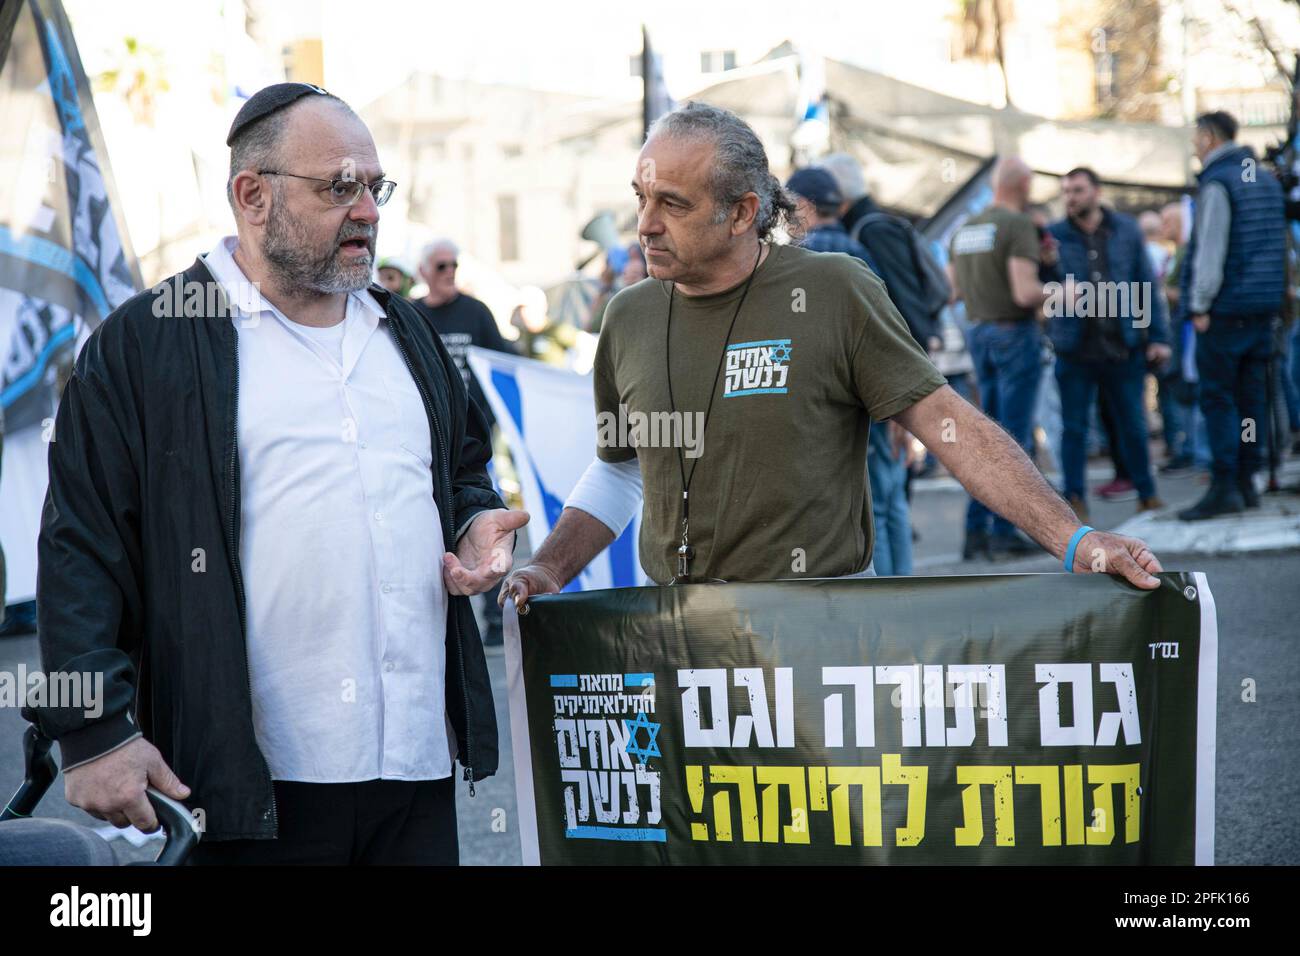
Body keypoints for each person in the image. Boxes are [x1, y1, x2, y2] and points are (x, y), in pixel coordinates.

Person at [28, 83, 528, 865]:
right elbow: (81, 545)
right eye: (338, 187)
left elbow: (462, 470)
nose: (366, 209)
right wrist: (94, 734)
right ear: (252, 195)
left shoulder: (408, 333)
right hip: (243, 791)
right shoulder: (149, 345)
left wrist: (473, 523)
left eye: (374, 186)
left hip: (414, 765)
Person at [499, 103, 1163, 610]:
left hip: (820, 640)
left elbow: (948, 426)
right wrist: (548, 568)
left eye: (673, 204)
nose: (644, 224)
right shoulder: (629, 315)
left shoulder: (833, 288)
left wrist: (1075, 540)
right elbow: (620, 472)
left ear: (741, 214)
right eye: (642, 198)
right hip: (679, 651)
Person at [787, 165, 914, 575]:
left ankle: (889, 607)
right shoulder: (862, 250)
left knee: (872, 505)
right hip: (880, 391)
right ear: (838, 204)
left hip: (845, 399)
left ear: (801, 206)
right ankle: (905, 591)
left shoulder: (807, 257)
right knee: (893, 501)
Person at [1178, 111, 1287, 520]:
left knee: (1220, 401)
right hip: (1262, 310)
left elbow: (1210, 251)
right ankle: (1248, 479)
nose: (1194, 144)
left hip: (1225, 313)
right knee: (1251, 401)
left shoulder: (1219, 182)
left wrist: (1199, 305)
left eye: (1195, 136)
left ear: (1207, 137)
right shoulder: (1263, 179)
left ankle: (1224, 485)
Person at [1047, 168, 1171, 522]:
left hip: (1122, 347)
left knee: (1133, 423)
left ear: (1096, 192)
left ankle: (1147, 494)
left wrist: (1158, 337)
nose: (1071, 197)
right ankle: (1073, 501)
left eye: (1078, 190)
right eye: (1066, 191)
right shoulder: (1053, 236)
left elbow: (1146, 284)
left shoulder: (1126, 229)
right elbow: (1042, 287)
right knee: (1073, 429)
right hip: (1074, 349)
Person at [411, 238, 518, 645]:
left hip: (473, 444)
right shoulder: (412, 315)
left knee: (484, 518)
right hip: (427, 444)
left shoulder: (475, 312)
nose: (449, 272)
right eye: (441, 266)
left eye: (453, 265)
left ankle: (492, 617)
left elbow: (503, 362)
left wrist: (489, 420)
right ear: (423, 271)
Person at [947, 158, 1053, 560]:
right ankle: (1006, 532)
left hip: (979, 335)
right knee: (1014, 439)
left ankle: (976, 533)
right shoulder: (1017, 225)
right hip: (1013, 334)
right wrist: (1060, 291)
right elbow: (1025, 292)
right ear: (1024, 185)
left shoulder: (967, 229)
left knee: (985, 437)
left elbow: (953, 291)